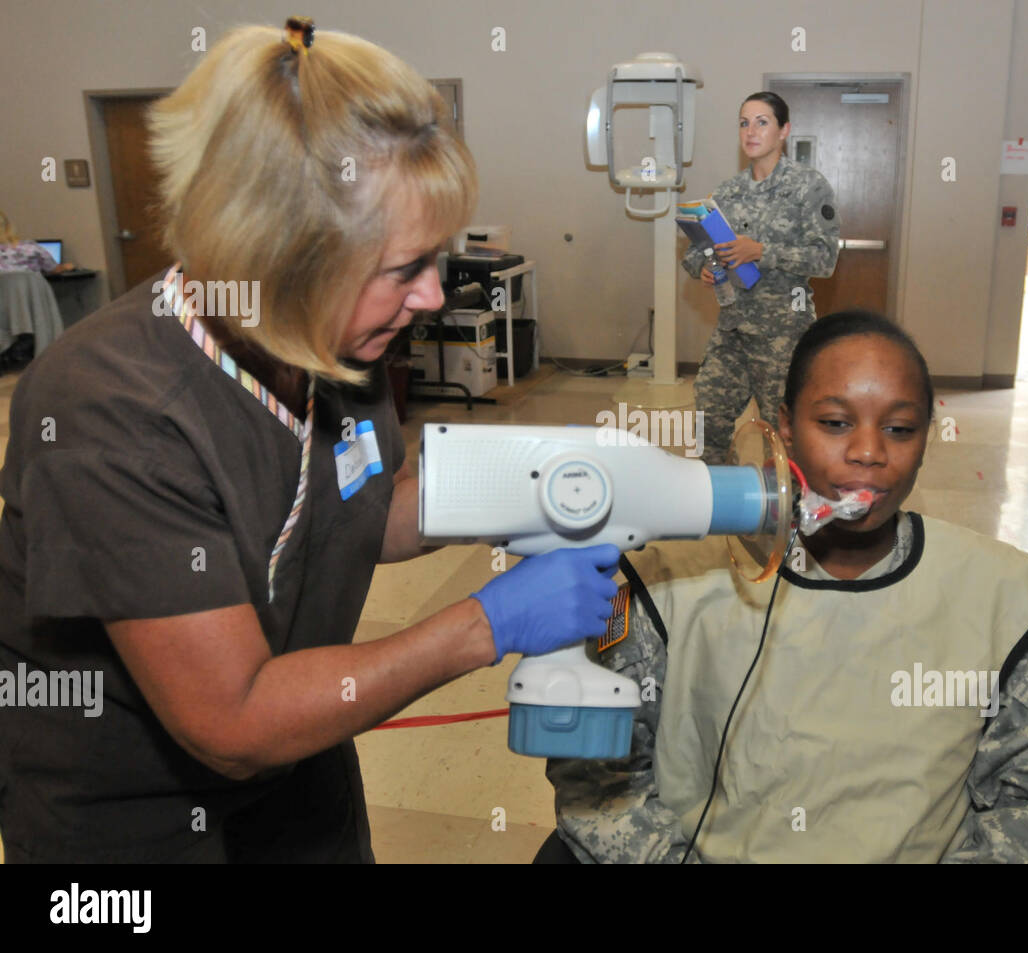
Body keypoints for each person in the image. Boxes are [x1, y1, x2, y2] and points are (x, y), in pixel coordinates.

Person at [0, 21, 619, 863]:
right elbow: (236, 719)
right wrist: (488, 622)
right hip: (138, 821)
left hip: (304, 770)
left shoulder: (328, 345)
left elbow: (360, 510)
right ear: (282, 256)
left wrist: (516, 485)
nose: (434, 295)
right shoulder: (108, 410)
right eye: (404, 269)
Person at [542, 311, 1028, 863]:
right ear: (785, 430)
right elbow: (598, 782)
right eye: (835, 423)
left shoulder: (1007, 602)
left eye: (899, 428)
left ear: (926, 440)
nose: (868, 451)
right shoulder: (667, 581)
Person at [682, 92, 840, 465]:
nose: (751, 131)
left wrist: (762, 252)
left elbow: (826, 258)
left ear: (784, 131)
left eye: (762, 122)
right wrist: (703, 267)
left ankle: (788, 508)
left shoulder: (808, 187)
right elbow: (694, 251)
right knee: (709, 418)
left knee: (785, 432)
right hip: (733, 329)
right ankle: (719, 499)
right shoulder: (727, 192)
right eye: (744, 122)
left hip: (783, 335)